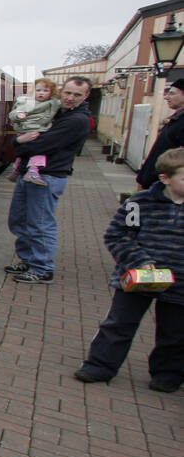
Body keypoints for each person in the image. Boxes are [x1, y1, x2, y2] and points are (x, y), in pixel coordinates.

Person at [75, 146, 184, 392]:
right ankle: (100, 365)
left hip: (180, 282)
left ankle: (168, 373)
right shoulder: (139, 203)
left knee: (175, 332)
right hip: (139, 276)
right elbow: (118, 236)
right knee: (119, 323)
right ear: (165, 178)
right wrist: (138, 260)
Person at [5, 77, 92, 283]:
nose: (70, 98)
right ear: (61, 91)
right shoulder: (57, 112)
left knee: (40, 223)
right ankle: (28, 259)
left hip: (48, 175)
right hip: (31, 172)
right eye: (68, 92)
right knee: (20, 220)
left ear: (86, 96)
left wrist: (18, 142)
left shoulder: (76, 120)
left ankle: (42, 268)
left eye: (77, 95)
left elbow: (37, 145)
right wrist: (19, 140)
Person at [7, 78, 60, 184]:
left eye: (45, 91)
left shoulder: (52, 103)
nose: (41, 93)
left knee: (31, 151)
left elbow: (58, 104)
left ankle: (17, 170)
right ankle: (32, 171)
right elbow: (13, 114)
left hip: (38, 129)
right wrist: (18, 115)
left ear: (51, 93)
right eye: (38, 90)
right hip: (27, 128)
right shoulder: (26, 101)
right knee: (39, 152)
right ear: (33, 91)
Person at [134, 77, 184, 190]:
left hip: (163, 188)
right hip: (154, 183)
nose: (167, 97)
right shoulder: (176, 120)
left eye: (172, 94)